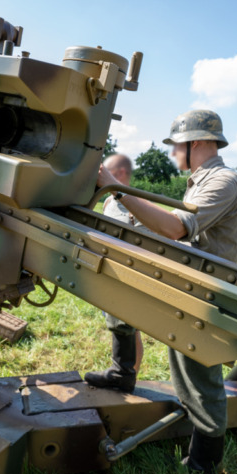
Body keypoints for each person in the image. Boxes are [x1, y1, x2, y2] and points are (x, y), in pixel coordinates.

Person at [93, 110, 237, 474]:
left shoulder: (223, 181)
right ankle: (122, 373)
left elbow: (176, 228)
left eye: (176, 146)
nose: (173, 154)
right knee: (119, 295)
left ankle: (205, 465)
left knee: (197, 374)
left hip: (205, 292)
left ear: (195, 142)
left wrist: (117, 188)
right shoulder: (201, 181)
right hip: (190, 281)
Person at [84, 154, 145, 393]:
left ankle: (126, 376)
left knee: (128, 325)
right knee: (129, 327)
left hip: (129, 275)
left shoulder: (133, 205)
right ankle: (127, 376)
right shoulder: (111, 202)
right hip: (114, 274)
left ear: (117, 175)